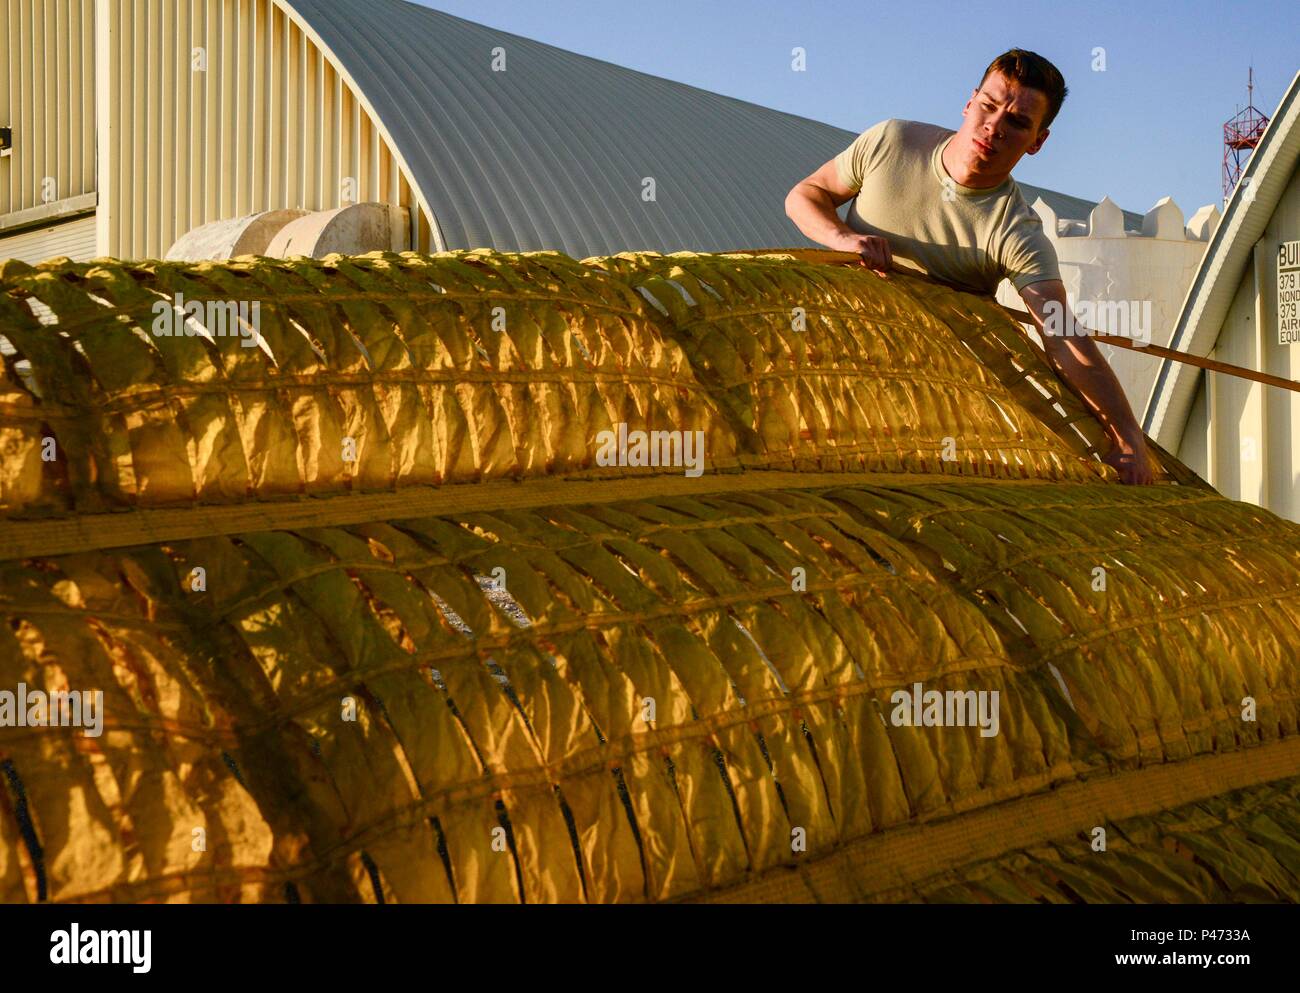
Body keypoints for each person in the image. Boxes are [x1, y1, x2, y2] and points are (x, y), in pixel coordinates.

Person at [784, 49, 1154, 484]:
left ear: (1037, 141)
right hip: (820, 364)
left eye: (1017, 122)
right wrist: (844, 239)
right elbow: (806, 194)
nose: (994, 126)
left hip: (918, 409)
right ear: (969, 102)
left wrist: (1128, 438)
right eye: (988, 106)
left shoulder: (1016, 233)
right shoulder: (892, 142)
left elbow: (1062, 336)